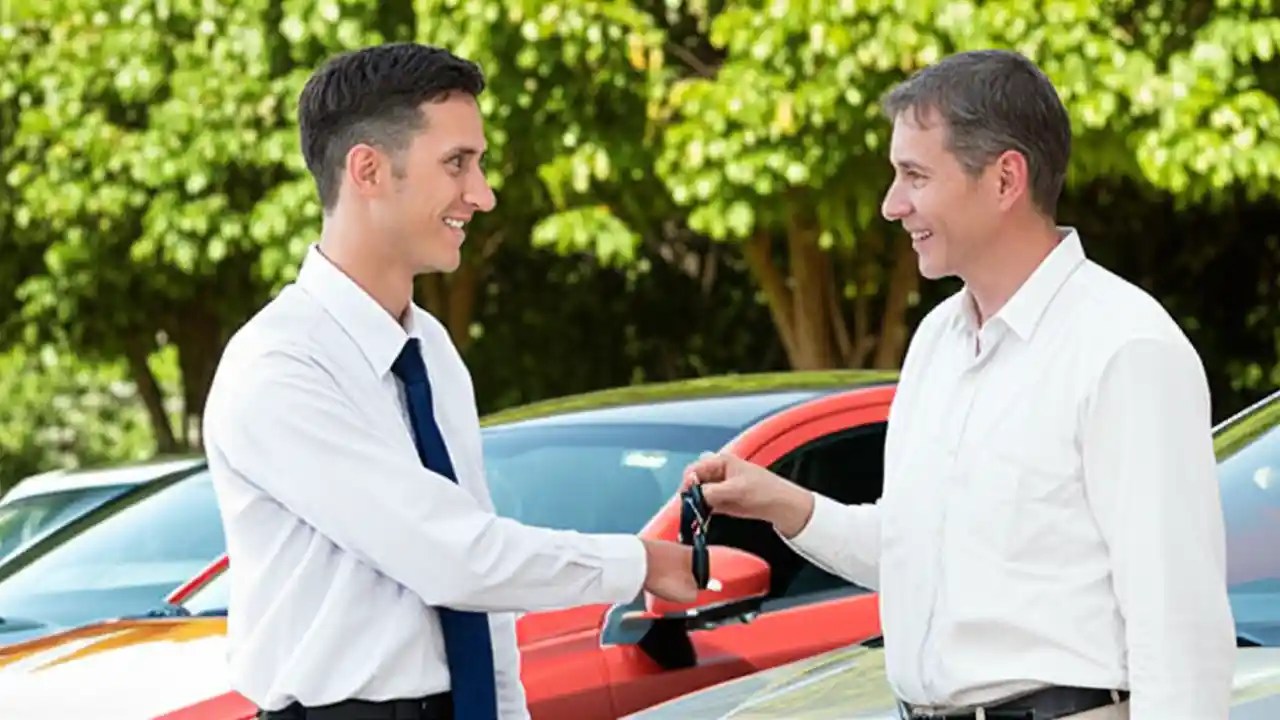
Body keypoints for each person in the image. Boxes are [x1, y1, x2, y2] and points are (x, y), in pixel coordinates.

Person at [683, 50, 1235, 720]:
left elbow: (1179, 626)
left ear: (1006, 179)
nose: (892, 205)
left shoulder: (1126, 348)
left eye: (914, 175)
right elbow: (918, 554)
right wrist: (787, 505)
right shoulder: (937, 341)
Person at [202, 43, 697, 720]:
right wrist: (640, 563)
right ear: (368, 170)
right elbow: (454, 558)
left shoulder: (429, 348)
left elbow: (474, 589)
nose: (483, 194)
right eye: (457, 164)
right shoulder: (278, 366)